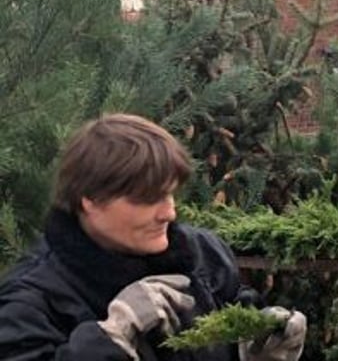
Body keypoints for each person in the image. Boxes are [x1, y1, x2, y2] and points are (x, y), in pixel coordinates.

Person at [0, 113, 307, 361]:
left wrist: (257, 348)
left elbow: (237, 317)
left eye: (170, 194)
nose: (169, 213)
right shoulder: (31, 303)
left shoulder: (204, 255)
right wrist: (111, 337)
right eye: (148, 199)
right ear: (89, 199)